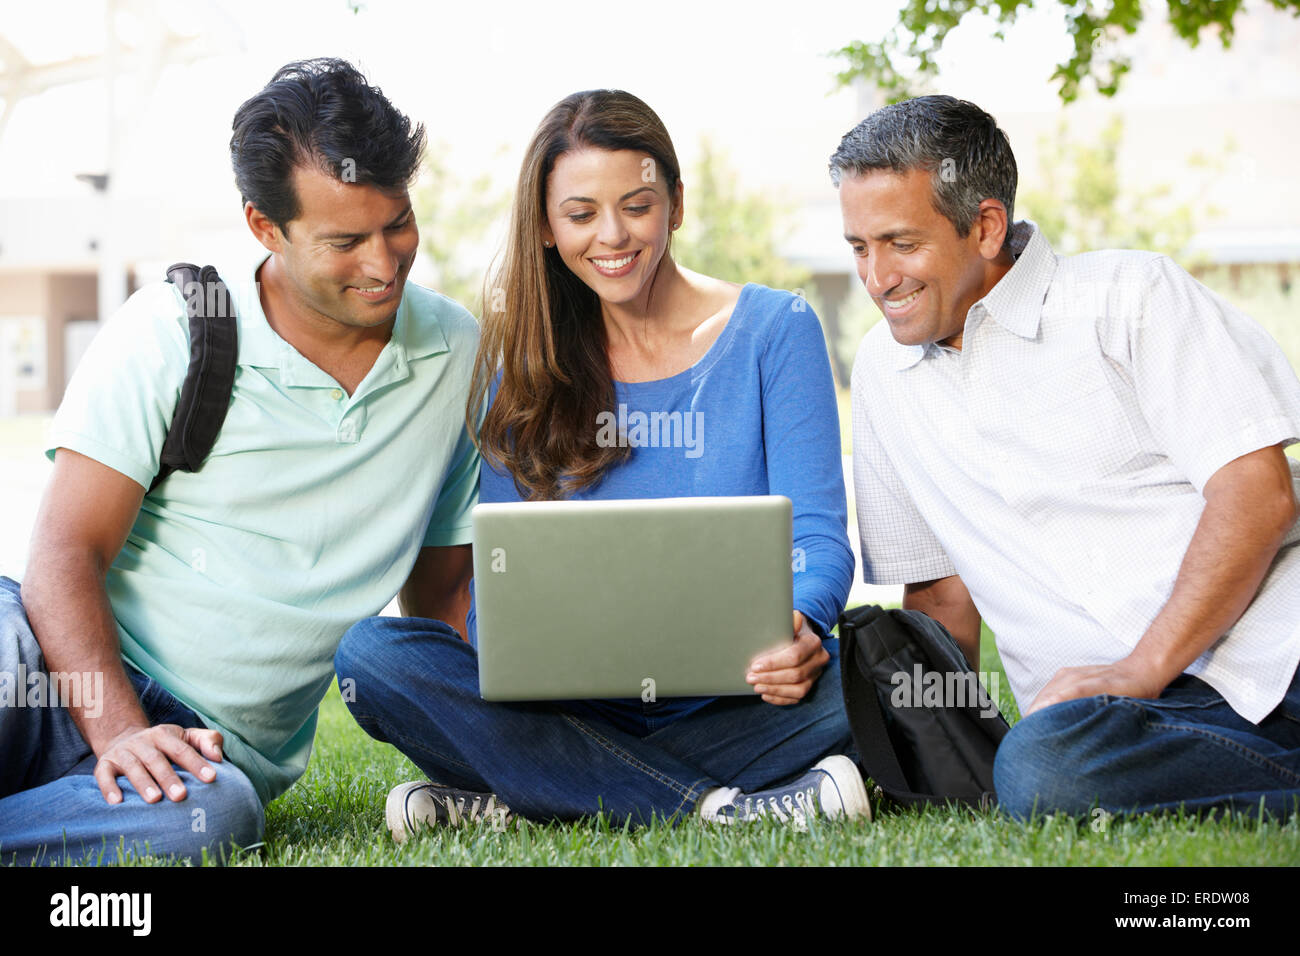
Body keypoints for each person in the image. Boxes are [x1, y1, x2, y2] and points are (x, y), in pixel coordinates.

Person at [335, 89, 869, 835]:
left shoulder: (776, 331)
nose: (613, 235)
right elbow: (498, 590)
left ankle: (530, 789)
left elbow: (816, 537)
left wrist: (803, 620)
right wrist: (513, 644)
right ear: (549, 229)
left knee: (878, 682)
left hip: (747, 696)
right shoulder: (520, 371)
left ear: (676, 204)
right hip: (567, 703)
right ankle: (722, 809)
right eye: (581, 214)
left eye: (638, 205)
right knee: (374, 656)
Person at [0, 58, 481, 864]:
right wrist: (118, 730)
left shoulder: (457, 355)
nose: (383, 262)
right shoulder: (175, 328)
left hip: (202, 748)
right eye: (344, 240)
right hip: (51, 664)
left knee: (213, 817)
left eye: (397, 222)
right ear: (265, 226)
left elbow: (441, 598)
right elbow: (62, 555)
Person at [833, 94, 1300, 820]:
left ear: (985, 226)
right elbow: (940, 597)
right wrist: (939, 749)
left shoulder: (1130, 296)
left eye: (901, 242)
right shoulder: (881, 375)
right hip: (1121, 729)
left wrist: (1141, 668)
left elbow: (1259, 495)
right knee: (1044, 773)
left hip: (1280, 651)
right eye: (858, 248)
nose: (877, 278)